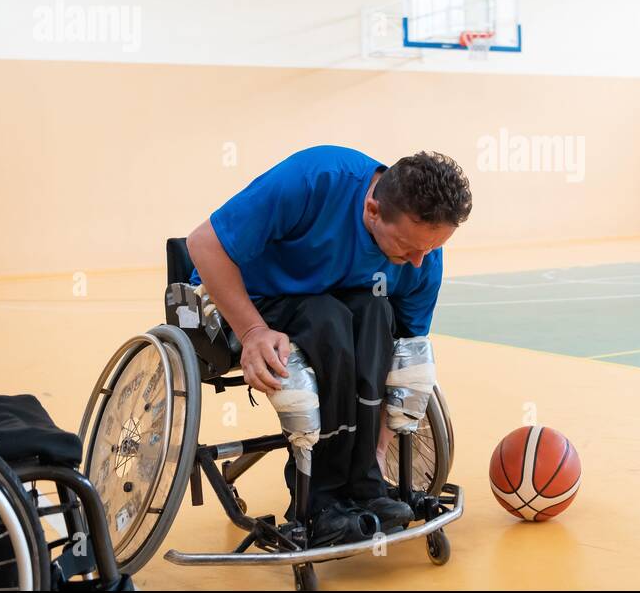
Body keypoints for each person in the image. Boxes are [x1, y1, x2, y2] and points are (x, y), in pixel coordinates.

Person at [186, 146, 471, 544]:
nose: (420, 261)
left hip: (327, 304)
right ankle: (318, 503)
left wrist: (376, 450)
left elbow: (401, 356)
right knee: (328, 321)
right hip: (251, 293)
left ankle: (365, 486)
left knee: (377, 316)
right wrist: (252, 333)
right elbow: (203, 244)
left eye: (432, 248)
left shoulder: (422, 260)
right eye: (409, 246)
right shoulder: (314, 180)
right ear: (372, 210)